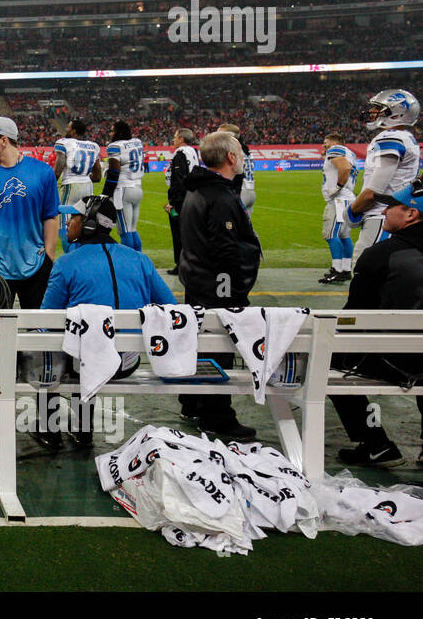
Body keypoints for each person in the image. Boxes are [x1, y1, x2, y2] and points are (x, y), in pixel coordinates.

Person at [36, 195, 176, 449]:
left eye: (74, 218)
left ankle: (50, 428)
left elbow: (46, 321)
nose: (67, 223)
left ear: (89, 223)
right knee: (88, 348)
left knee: (56, 351)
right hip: (129, 360)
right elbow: (171, 308)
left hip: (85, 363)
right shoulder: (139, 260)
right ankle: (82, 428)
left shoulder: (66, 264)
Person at [330, 178, 423, 467]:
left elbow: (353, 318)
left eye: (392, 206)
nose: (383, 212)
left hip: (397, 359)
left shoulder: (380, 255)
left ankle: (376, 444)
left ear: (411, 213)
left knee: (327, 357)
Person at [177, 130, 260, 441]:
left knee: (200, 345)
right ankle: (217, 415)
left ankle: (194, 402)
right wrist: (234, 295)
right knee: (219, 349)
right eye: (238, 152)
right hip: (216, 287)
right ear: (230, 157)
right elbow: (225, 251)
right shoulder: (220, 196)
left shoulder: (198, 190)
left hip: (197, 281)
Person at [0, 116, 59, 309]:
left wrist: (49, 256)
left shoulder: (43, 172)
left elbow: (50, 216)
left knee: (38, 330)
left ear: (3, 140)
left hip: (37, 266)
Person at [348, 89, 420, 272]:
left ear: (396, 112)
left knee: (365, 275)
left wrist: (351, 211)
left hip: (383, 217)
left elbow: (375, 190)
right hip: (394, 215)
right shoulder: (406, 138)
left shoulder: (391, 137)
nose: (372, 112)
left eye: (379, 109)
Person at [53, 120, 102, 250]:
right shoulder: (93, 146)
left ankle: (70, 256)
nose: (66, 130)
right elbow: (97, 176)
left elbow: (60, 165)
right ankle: (83, 255)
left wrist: (51, 183)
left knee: (63, 222)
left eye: (68, 128)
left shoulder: (64, 142)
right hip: (87, 186)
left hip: (71, 185)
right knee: (82, 223)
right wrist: (84, 177)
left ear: (74, 130)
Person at [318, 133, 358, 284]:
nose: (324, 145)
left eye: (325, 142)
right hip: (348, 199)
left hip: (339, 200)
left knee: (331, 234)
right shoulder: (350, 153)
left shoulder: (336, 150)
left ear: (334, 142)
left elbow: (345, 167)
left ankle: (337, 269)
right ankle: (346, 269)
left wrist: (337, 187)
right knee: (344, 236)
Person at [102, 120, 145, 251]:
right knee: (132, 229)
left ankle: (129, 264)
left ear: (118, 132)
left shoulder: (115, 146)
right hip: (138, 187)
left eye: (113, 130)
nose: (111, 133)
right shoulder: (137, 142)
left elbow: (114, 172)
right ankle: (139, 260)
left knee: (125, 231)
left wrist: (106, 194)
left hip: (124, 190)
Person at [164, 128, 200, 275]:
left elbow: (179, 180)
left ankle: (180, 265)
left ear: (181, 139)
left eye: (175, 137)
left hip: (181, 201)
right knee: (189, 233)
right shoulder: (193, 152)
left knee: (178, 232)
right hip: (193, 196)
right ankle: (191, 263)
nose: (173, 140)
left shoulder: (180, 154)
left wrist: (173, 201)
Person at [217, 124, 255, 217]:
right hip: (250, 190)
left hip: (240, 191)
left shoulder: (233, 151)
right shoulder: (246, 151)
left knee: (231, 225)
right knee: (245, 227)